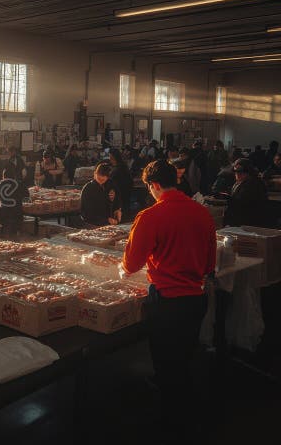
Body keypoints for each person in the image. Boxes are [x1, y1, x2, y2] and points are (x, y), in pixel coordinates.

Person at [121, 159, 215, 441]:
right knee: (184, 360)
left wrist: (125, 268)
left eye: (149, 188)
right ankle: (190, 417)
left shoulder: (150, 217)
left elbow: (131, 263)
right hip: (196, 300)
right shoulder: (203, 214)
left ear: (155, 185)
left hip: (167, 302)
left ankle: (171, 425)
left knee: (165, 365)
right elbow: (210, 265)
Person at [224, 158, 269, 227]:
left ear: (248, 171)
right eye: (235, 171)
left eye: (241, 171)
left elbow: (246, 202)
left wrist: (228, 199)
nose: (237, 173)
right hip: (239, 219)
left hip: (249, 222)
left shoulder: (254, 183)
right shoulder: (239, 182)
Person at [80, 162, 121, 227]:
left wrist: (117, 209)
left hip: (109, 222)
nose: (101, 178)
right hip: (92, 223)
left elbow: (117, 198)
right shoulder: (88, 188)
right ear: (94, 174)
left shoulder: (111, 184)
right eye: (99, 176)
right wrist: (105, 219)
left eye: (104, 177)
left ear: (108, 177)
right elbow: (87, 212)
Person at [0, 167, 26, 236]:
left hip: (3, 216)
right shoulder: (19, 184)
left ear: (3, 176)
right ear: (14, 176)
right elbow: (27, 198)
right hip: (18, 214)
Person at [109, 148, 132, 217]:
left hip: (120, 196)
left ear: (114, 158)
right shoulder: (123, 166)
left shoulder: (117, 170)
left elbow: (112, 183)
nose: (110, 160)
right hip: (126, 194)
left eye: (111, 158)